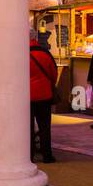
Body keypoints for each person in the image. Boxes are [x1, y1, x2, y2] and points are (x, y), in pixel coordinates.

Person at [29, 36, 58, 164]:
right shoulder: (46, 54)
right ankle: (47, 155)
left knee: (27, 128)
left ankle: (29, 156)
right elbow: (53, 74)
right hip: (45, 95)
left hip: (27, 96)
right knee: (44, 126)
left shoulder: (20, 54)